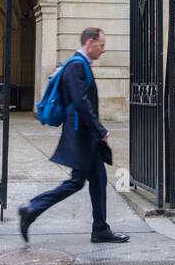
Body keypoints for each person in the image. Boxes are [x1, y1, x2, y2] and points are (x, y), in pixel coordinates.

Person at [18, 28, 130, 244]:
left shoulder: (79, 65)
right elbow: (80, 103)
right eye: (101, 45)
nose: (103, 50)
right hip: (81, 135)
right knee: (77, 182)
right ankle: (32, 208)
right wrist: (101, 130)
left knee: (98, 180)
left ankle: (100, 228)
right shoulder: (76, 65)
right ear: (90, 42)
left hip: (86, 135)